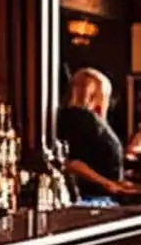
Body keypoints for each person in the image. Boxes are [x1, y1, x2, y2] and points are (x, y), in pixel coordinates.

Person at [56, 68, 133, 199]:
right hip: (93, 197)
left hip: (98, 195)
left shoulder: (73, 118)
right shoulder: (83, 119)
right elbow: (71, 163)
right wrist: (108, 183)